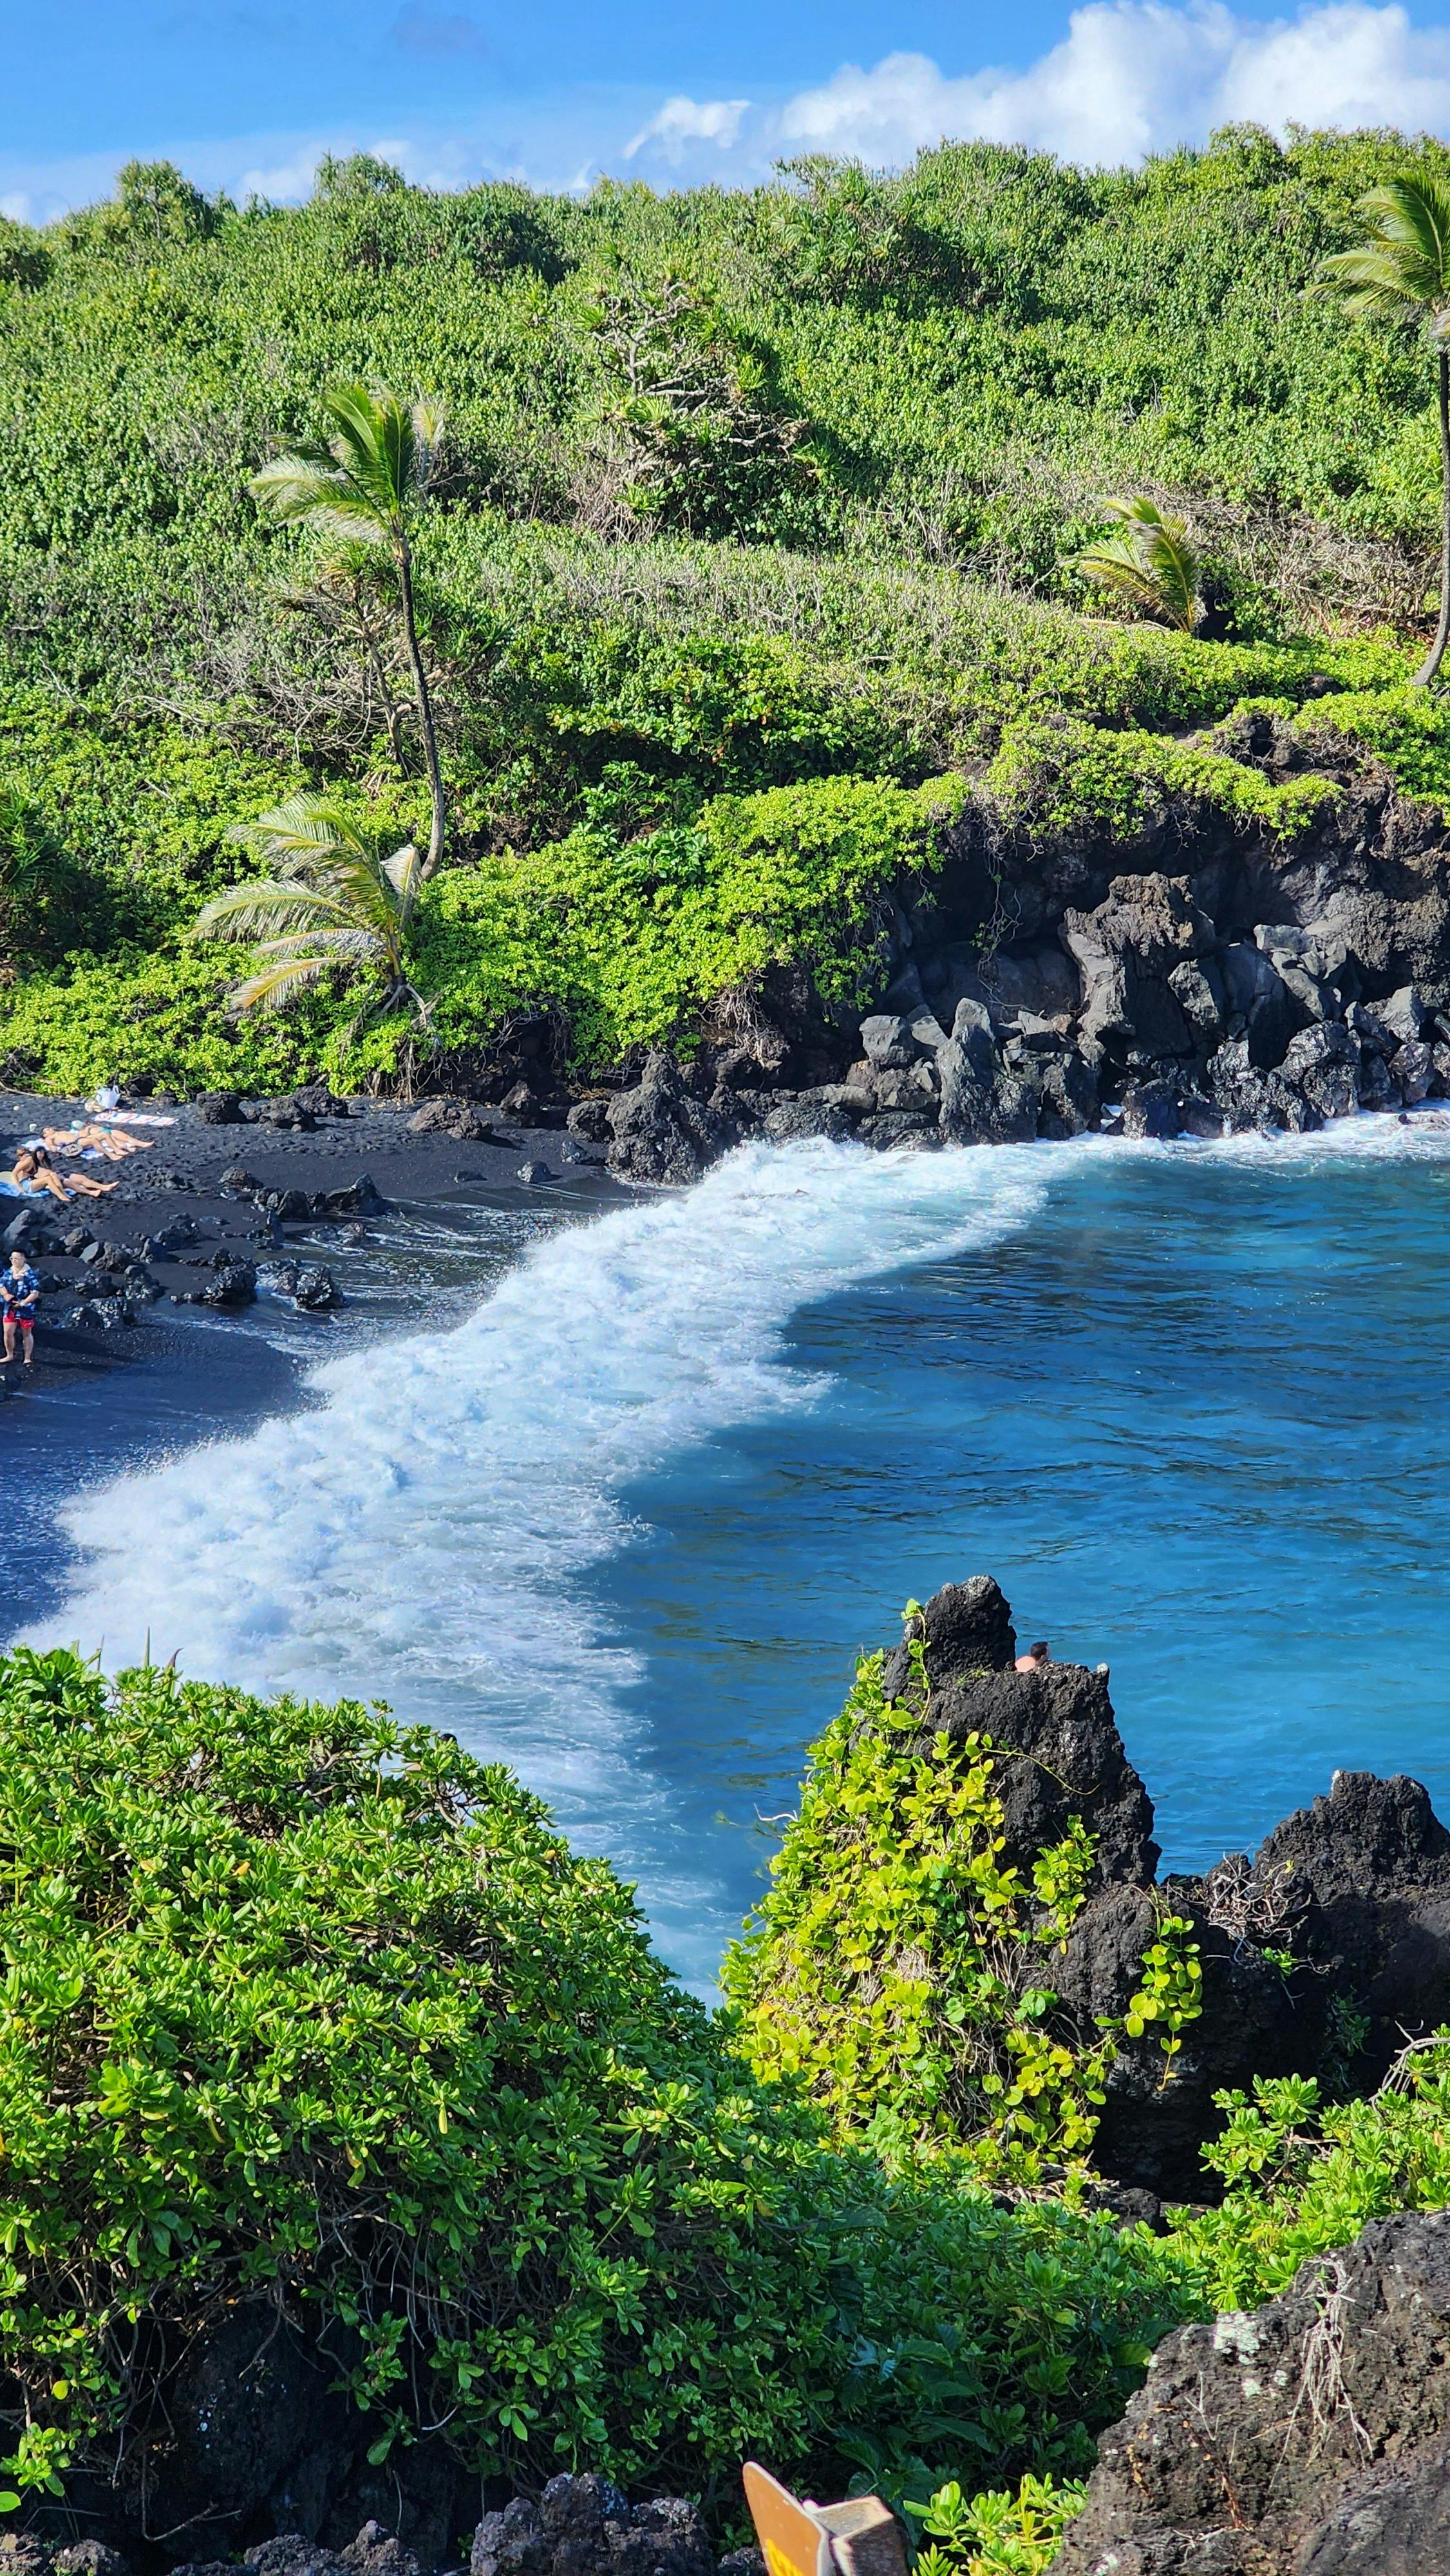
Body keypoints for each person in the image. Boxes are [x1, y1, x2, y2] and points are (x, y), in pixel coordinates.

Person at [2, 1248, 39, 1367]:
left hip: (25, 1309)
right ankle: (9, 1354)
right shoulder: (9, 1272)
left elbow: (35, 1292)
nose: (14, 1261)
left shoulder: (29, 1274)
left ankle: (27, 1357)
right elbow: (1, 1284)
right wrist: (6, 1295)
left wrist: (23, 1303)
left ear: (24, 1258)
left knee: (26, 1333)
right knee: (8, 1332)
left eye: (16, 1258)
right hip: (10, 1308)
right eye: (12, 1258)